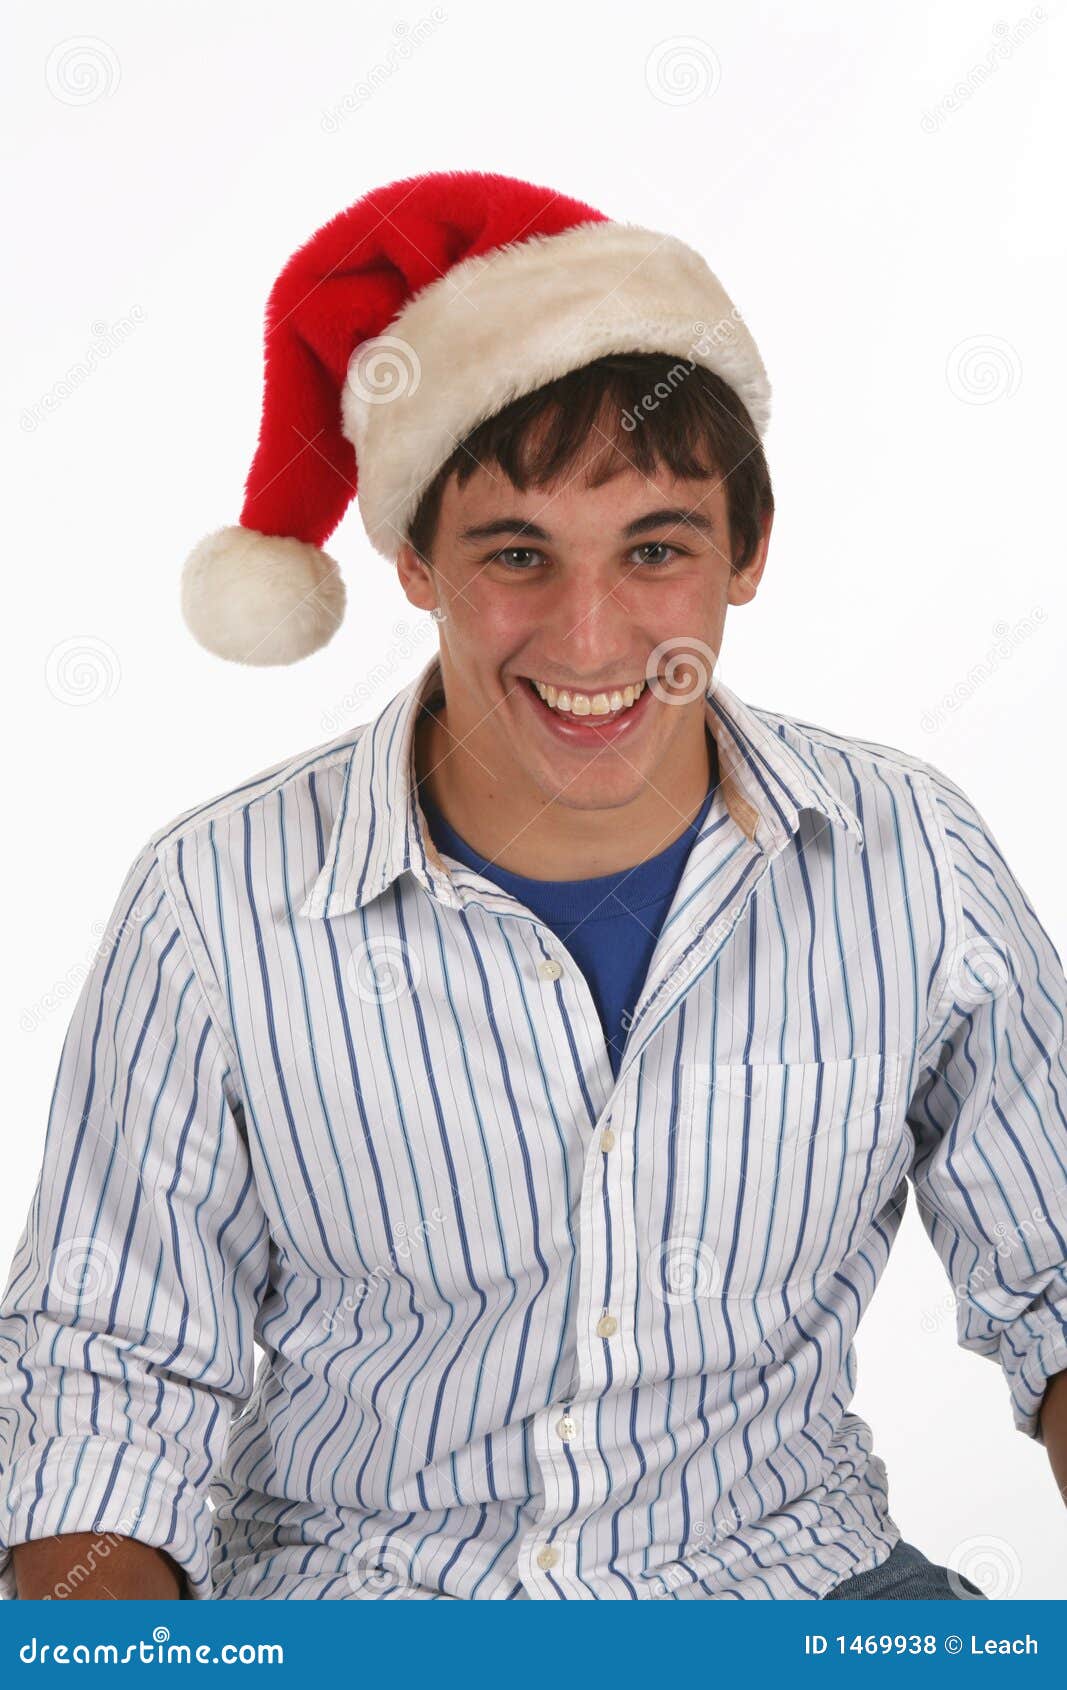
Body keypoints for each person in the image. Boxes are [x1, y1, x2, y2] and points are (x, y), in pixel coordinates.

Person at [0, 171, 1064, 1602]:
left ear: (749, 553)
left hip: (798, 1596)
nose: (592, 636)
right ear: (413, 561)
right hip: (363, 1611)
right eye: (517, 554)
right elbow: (110, 1374)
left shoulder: (913, 856)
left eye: (656, 549)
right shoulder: (214, 900)